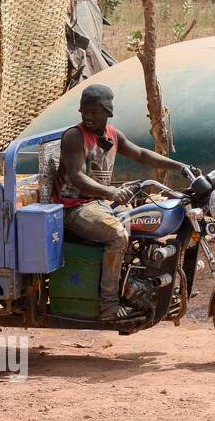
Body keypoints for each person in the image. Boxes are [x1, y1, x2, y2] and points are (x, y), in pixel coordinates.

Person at [54, 84, 191, 319]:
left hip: (99, 203)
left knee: (142, 221)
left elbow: (141, 154)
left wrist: (180, 166)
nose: (88, 116)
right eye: (85, 111)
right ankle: (108, 306)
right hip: (73, 207)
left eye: (95, 112)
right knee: (117, 235)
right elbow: (77, 177)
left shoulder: (112, 135)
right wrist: (111, 192)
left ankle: (136, 285)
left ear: (108, 112)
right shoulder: (74, 136)